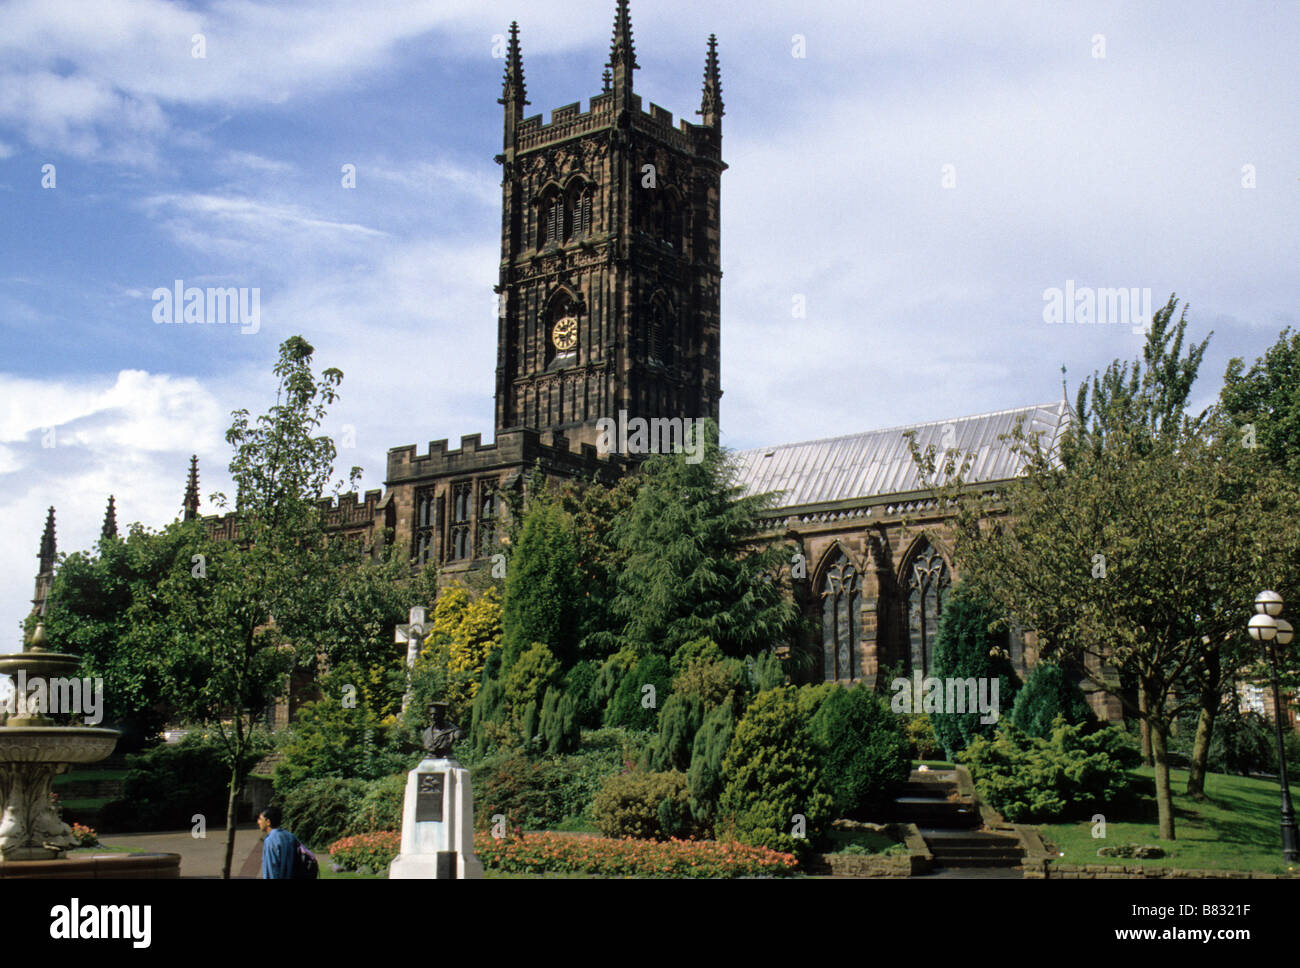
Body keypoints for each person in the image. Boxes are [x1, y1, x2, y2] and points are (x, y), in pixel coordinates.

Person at [257, 805, 300, 879]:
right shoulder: (289, 836)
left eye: (260, 819)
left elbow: (271, 870)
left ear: (268, 822)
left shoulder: (270, 841)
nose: (258, 822)